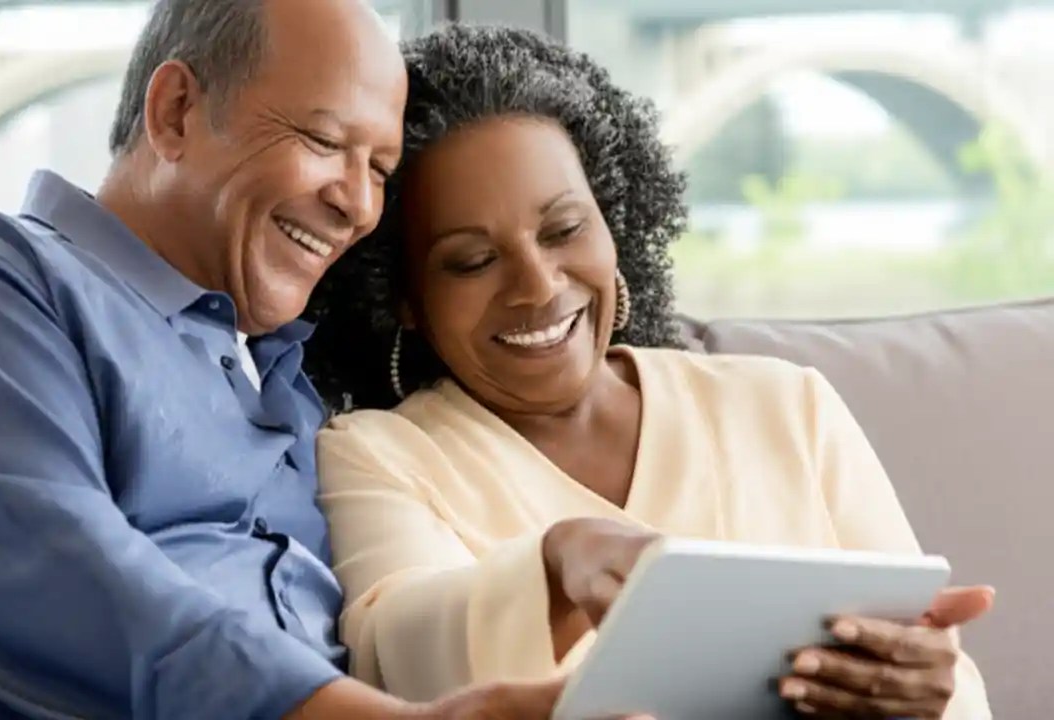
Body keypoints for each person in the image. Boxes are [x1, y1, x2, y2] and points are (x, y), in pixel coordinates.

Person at [0, 3, 639, 719]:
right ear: (177, 112)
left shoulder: (297, 389)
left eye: (378, 168)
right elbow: (74, 586)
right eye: (323, 140)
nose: (357, 203)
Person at [304, 24, 994, 719]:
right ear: (402, 298)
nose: (538, 286)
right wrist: (555, 564)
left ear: (613, 223)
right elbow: (391, 654)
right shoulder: (379, 454)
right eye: (473, 261)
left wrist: (924, 690)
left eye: (564, 229)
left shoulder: (788, 405)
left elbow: (950, 679)